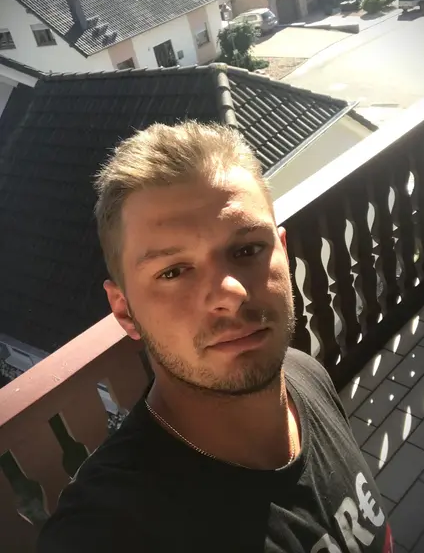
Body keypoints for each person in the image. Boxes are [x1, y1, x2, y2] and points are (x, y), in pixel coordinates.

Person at [37, 122, 393, 553]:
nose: (231, 293)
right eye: (173, 272)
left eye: (248, 250)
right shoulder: (109, 529)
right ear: (125, 310)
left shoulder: (304, 374)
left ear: (282, 252)